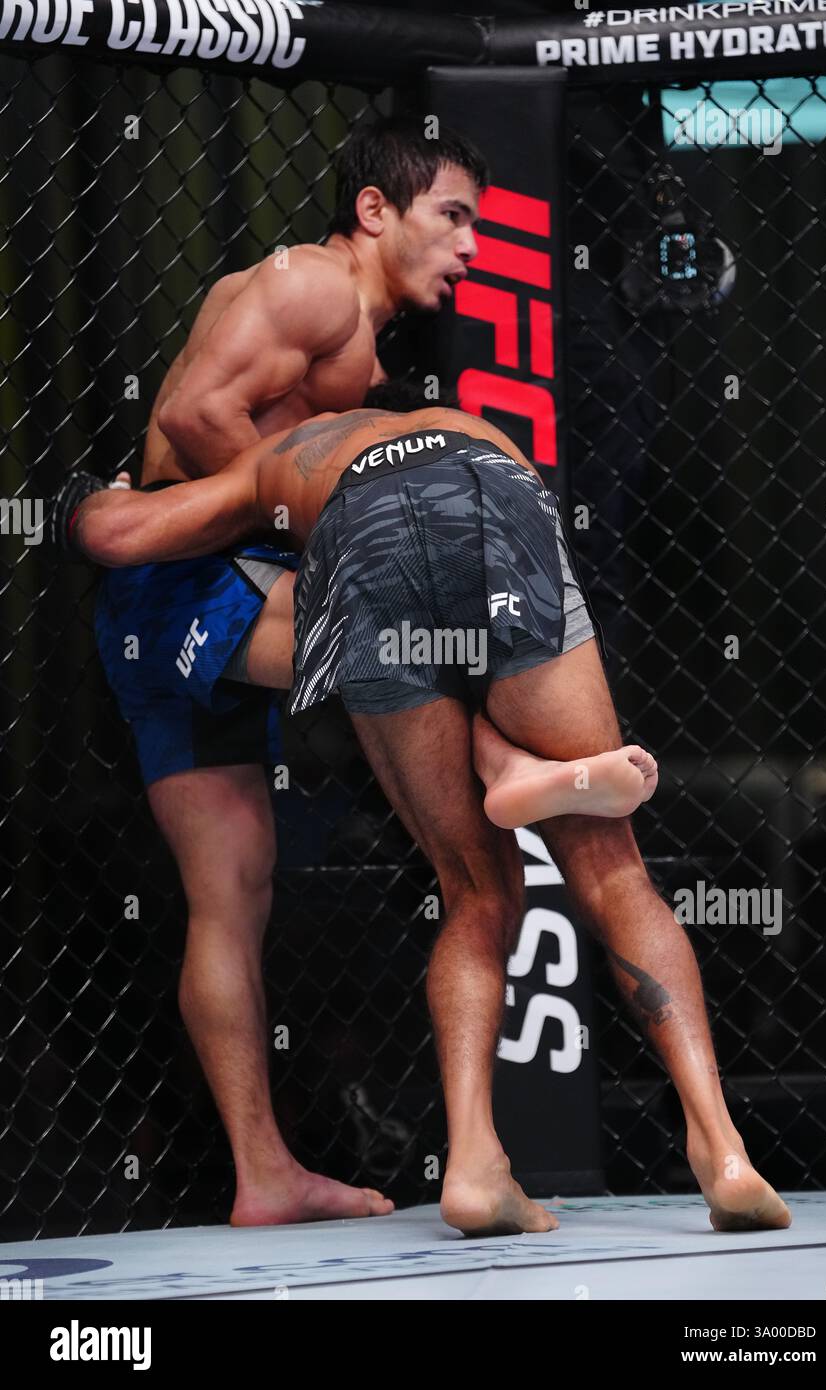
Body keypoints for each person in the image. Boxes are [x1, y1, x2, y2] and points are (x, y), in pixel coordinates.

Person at [68, 399, 793, 1237]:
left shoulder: (280, 462)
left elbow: (116, 535)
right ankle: (722, 1149)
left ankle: (476, 1161)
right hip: (485, 492)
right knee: (612, 868)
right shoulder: (459, 421)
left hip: (360, 532)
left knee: (474, 891)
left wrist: (86, 498)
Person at [52, 116, 489, 1227]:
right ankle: (519, 765)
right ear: (374, 210)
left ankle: (263, 1175)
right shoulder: (313, 289)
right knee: (428, 636)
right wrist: (321, 521)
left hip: (165, 598)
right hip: (191, 580)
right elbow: (193, 413)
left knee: (232, 891)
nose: (471, 245)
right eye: (452, 216)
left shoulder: (359, 344)